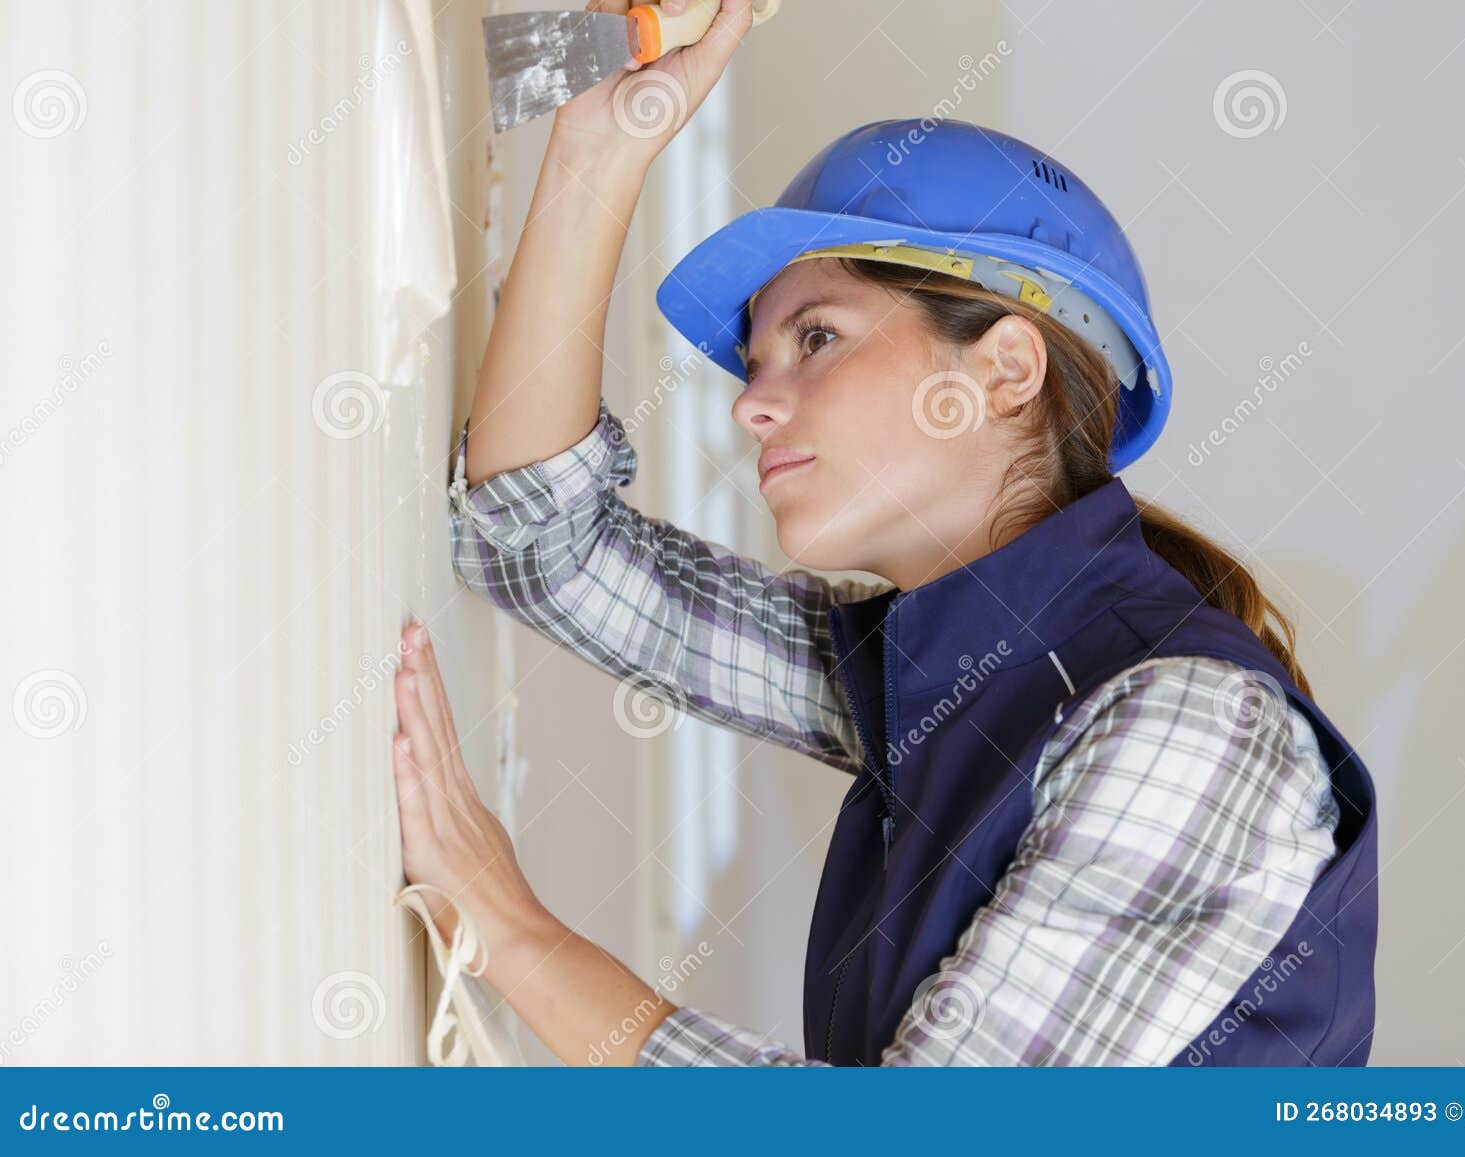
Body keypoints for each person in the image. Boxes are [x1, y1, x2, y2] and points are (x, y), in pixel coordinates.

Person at [389, 0, 1378, 1066]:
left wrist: (516, 934)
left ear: (1002, 370)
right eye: (756, 361)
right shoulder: (952, 676)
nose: (751, 405)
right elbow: (539, 542)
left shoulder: (1186, 725)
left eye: (816, 336)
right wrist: (596, 153)